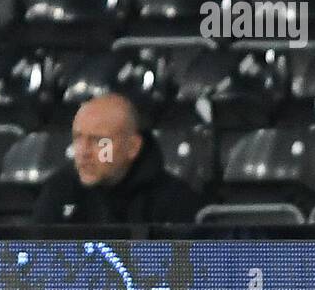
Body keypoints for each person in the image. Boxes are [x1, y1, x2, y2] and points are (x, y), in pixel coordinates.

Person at [33, 93, 202, 225]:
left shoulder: (175, 202)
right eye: (77, 138)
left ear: (132, 147)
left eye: (98, 141)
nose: (83, 152)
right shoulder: (58, 191)